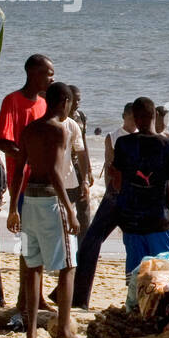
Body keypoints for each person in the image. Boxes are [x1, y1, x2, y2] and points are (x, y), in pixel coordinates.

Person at [5, 82, 79, 338]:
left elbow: (19, 170)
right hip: (50, 201)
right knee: (68, 266)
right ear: (65, 102)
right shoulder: (58, 130)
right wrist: (70, 210)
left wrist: (14, 207)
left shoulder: (30, 129)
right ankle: (64, 332)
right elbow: (55, 174)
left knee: (32, 266)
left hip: (29, 202)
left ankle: (31, 335)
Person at [0, 54, 54, 313]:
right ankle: (24, 298)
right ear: (33, 74)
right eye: (48, 73)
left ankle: (37, 296)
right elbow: (3, 141)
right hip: (21, 181)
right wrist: (27, 155)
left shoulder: (44, 104)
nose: (52, 78)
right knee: (28, 241)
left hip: (43, 182)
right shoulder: (13, 101)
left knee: (39, 241)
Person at [111, 97, 169, 280]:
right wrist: (167, 209)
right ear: (155, 115)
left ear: (135, 118)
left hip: (131, 220)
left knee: (136, 277)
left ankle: (135, 308)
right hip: (159, 219)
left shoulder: (123, 144)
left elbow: (117, 183)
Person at [72, 104, 135, 309]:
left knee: (132, 242)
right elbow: (110, 164)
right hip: (115, 193)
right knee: (92, 240)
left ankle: (133, 294)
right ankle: (78, 297)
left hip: (130, 195)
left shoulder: (141, 137)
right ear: (124, 116)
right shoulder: (114, 135)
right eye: (130, 116)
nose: (132, 120)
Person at [67, 86, 93, 242]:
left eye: (79, 99)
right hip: (65, 167)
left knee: (84, 206)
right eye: (75, 99)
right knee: (66, 206)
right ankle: (68, 243)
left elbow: (83, 144)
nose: (78, 103)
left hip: (79, 165)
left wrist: (88, 170)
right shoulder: (60, 118)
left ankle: (84, 243)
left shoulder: (81, 117)